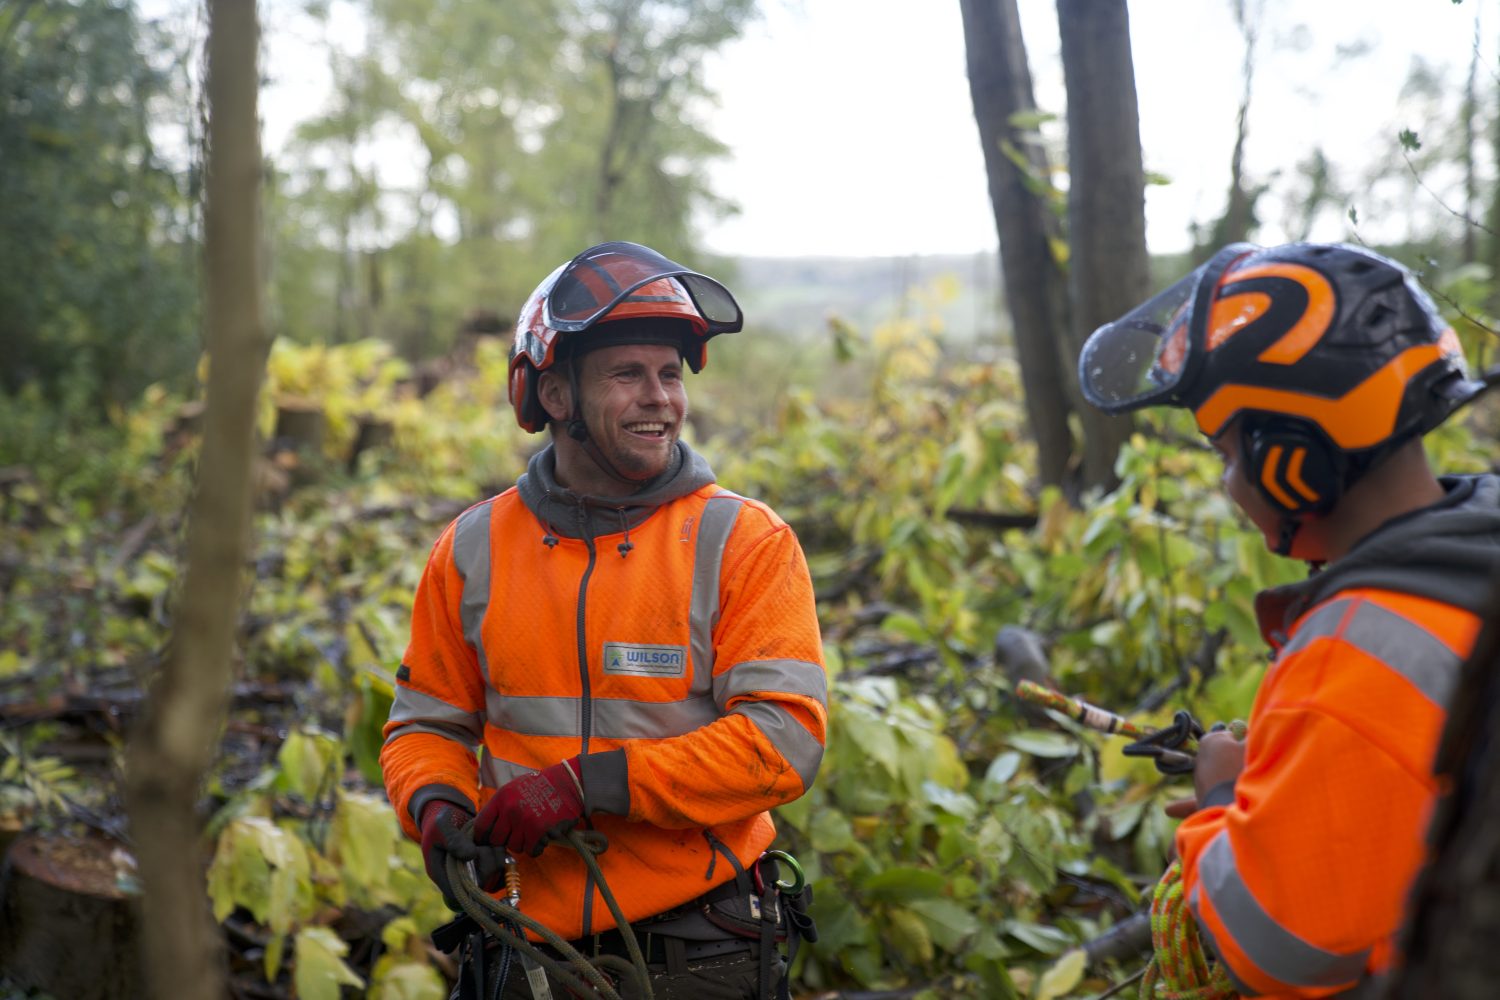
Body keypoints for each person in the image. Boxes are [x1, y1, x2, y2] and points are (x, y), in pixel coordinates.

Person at [381, 241, 828, 999]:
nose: (662, 398)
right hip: (521, 942)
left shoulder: (744, 542)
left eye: (670, 375)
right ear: (555, 397)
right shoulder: (472, 550)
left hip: (703, 947)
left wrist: (590, 785)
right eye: (629, 375)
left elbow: (783, 743)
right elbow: (426, 723)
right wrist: (436, 807)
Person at [1078, 241, 1500, 996]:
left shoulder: (1361, 647)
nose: (1228, 484)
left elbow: (1277, 946)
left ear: (1290, 457)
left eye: (1226, 453)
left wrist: (1218, 800)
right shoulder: (1475, 557)